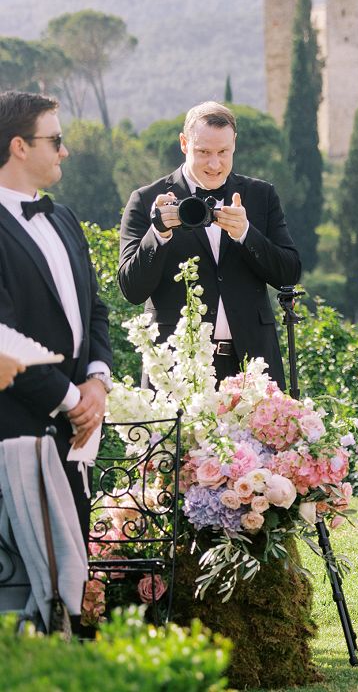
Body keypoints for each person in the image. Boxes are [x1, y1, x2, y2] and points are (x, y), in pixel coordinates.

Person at [118, 102, 300, 387]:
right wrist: (159, 233)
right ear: (183, 143)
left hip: (253, 364)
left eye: (223, 152)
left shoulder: (261, 195)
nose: (215, 164)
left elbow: (289, 273)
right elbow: (132, 289)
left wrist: (246, 234)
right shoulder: (145, 200)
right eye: (203, 152)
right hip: (177, 370)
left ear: (234, 145)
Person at [0, 91, 114, 538]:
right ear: (19, 146)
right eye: (55, 139)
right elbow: (4, 338)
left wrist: (98, 381)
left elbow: (95, 310)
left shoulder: (64, 217)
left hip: (74, 438)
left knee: (70, 577)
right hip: (17, 430)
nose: (64, 150)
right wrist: (72, 402)